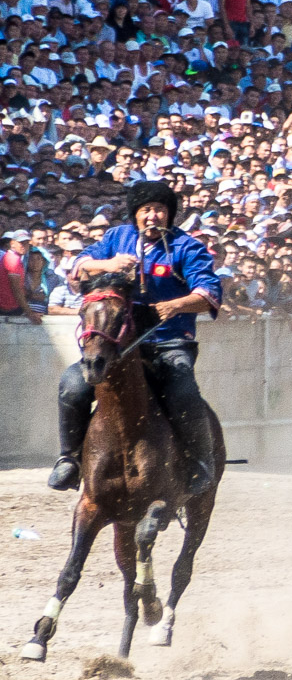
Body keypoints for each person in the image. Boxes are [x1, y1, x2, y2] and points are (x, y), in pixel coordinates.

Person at [49, 181, 222, 495]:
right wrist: (107, 264)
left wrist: (177, 304)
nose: (153, 216)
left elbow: (209, 294)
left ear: (169, 214)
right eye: (146, 210)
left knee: (183, 391)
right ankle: (69, 460)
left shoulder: (189, 247)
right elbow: (77, 268)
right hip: (115, 342)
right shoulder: (117, 238)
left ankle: (200, 462)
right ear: (136, 214)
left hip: (169, 341)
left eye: (160, 209)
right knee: (73, 384)